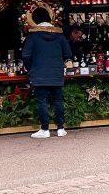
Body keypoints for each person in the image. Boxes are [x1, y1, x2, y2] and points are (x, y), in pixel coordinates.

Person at [21, 7, 73, 138]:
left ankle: (45, 129)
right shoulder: (59, 35)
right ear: (50, 18)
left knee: (42, 101)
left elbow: (26, 55)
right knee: (58, 101)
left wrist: (30, 68)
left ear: (34, 20)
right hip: (56, 72)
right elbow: (68, 54)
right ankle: (60, 128)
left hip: (39, 73)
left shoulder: (33, 36)